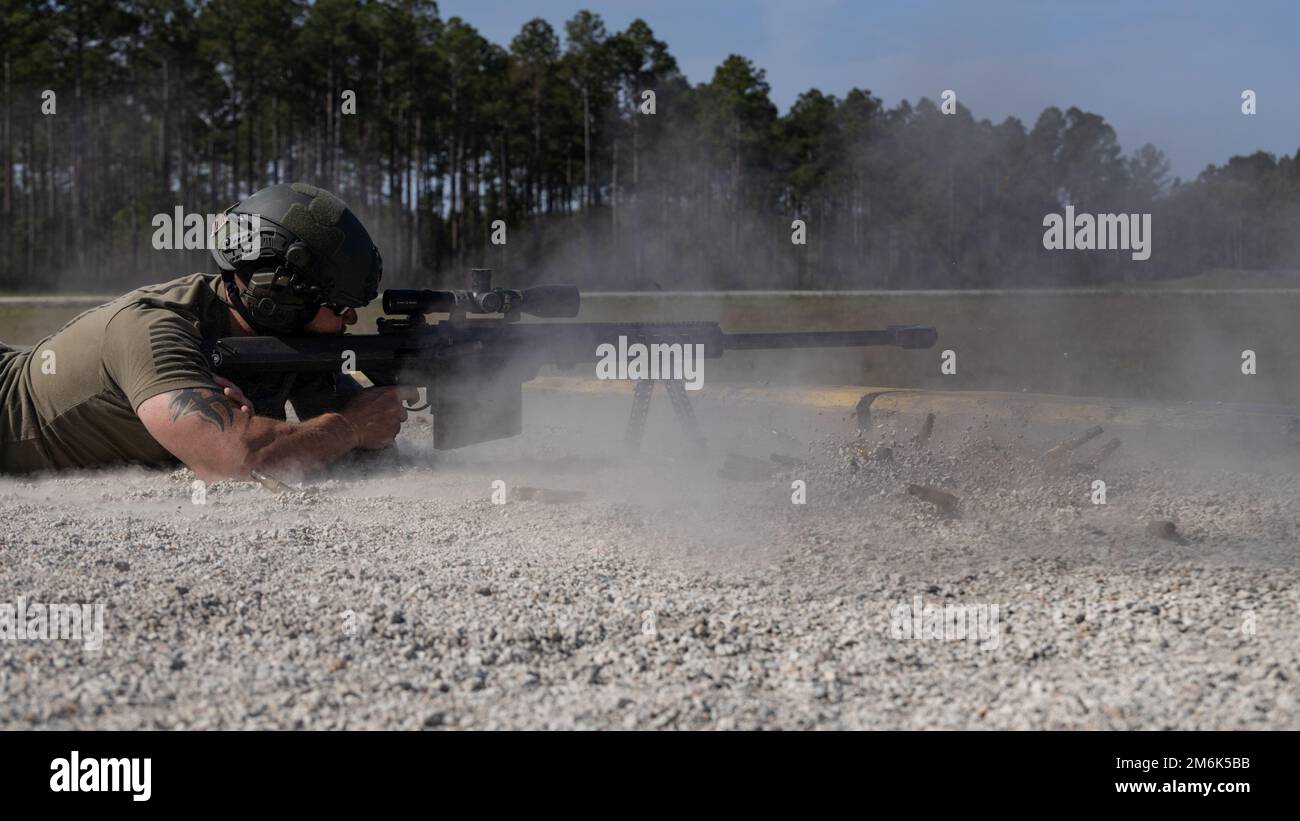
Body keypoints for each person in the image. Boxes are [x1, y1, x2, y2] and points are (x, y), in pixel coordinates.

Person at [0, 182, 417, 481]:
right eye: (339, 307)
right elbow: (237, 460)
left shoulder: (288, 340)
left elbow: (356, 454)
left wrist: (372, 420)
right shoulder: (153, 327)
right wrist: (349, 427)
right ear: (279, 295)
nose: (348, 322)